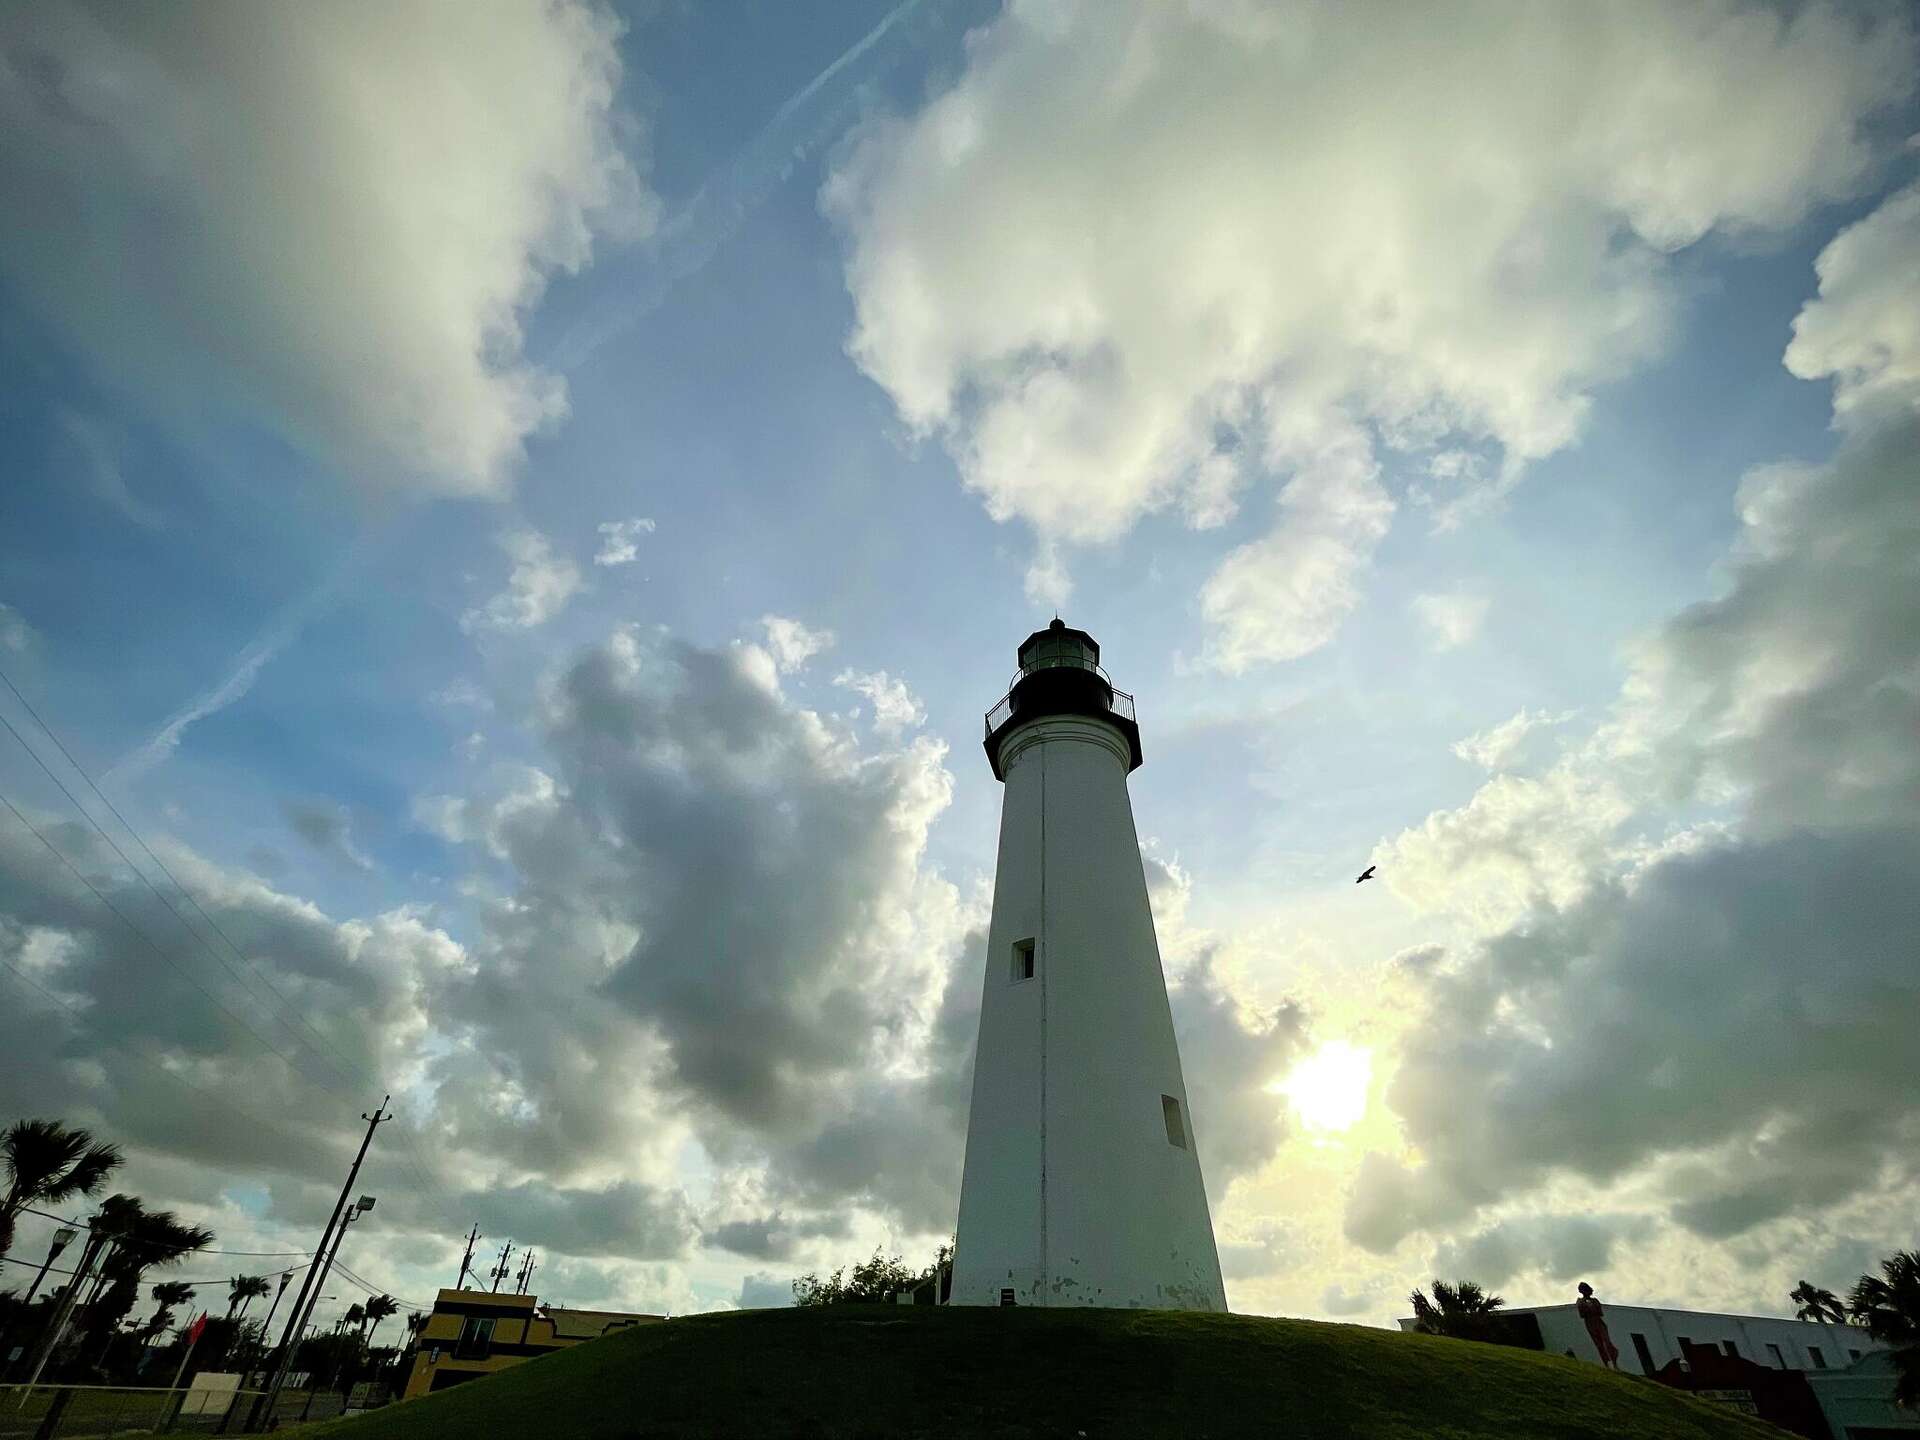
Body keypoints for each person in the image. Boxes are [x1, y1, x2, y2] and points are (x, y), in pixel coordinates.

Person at [1576, 1282, 1620, 1370]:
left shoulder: (1595, 1300)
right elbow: (1582, 1314)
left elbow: (1600, 1312)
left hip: (1599, 1322)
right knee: (1599, 1345)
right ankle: (1607, 1364)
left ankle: (1615, 1364)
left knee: (1607, 1342)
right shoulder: (1580, 1301)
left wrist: (1591, 1309)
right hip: (1590, 1323)